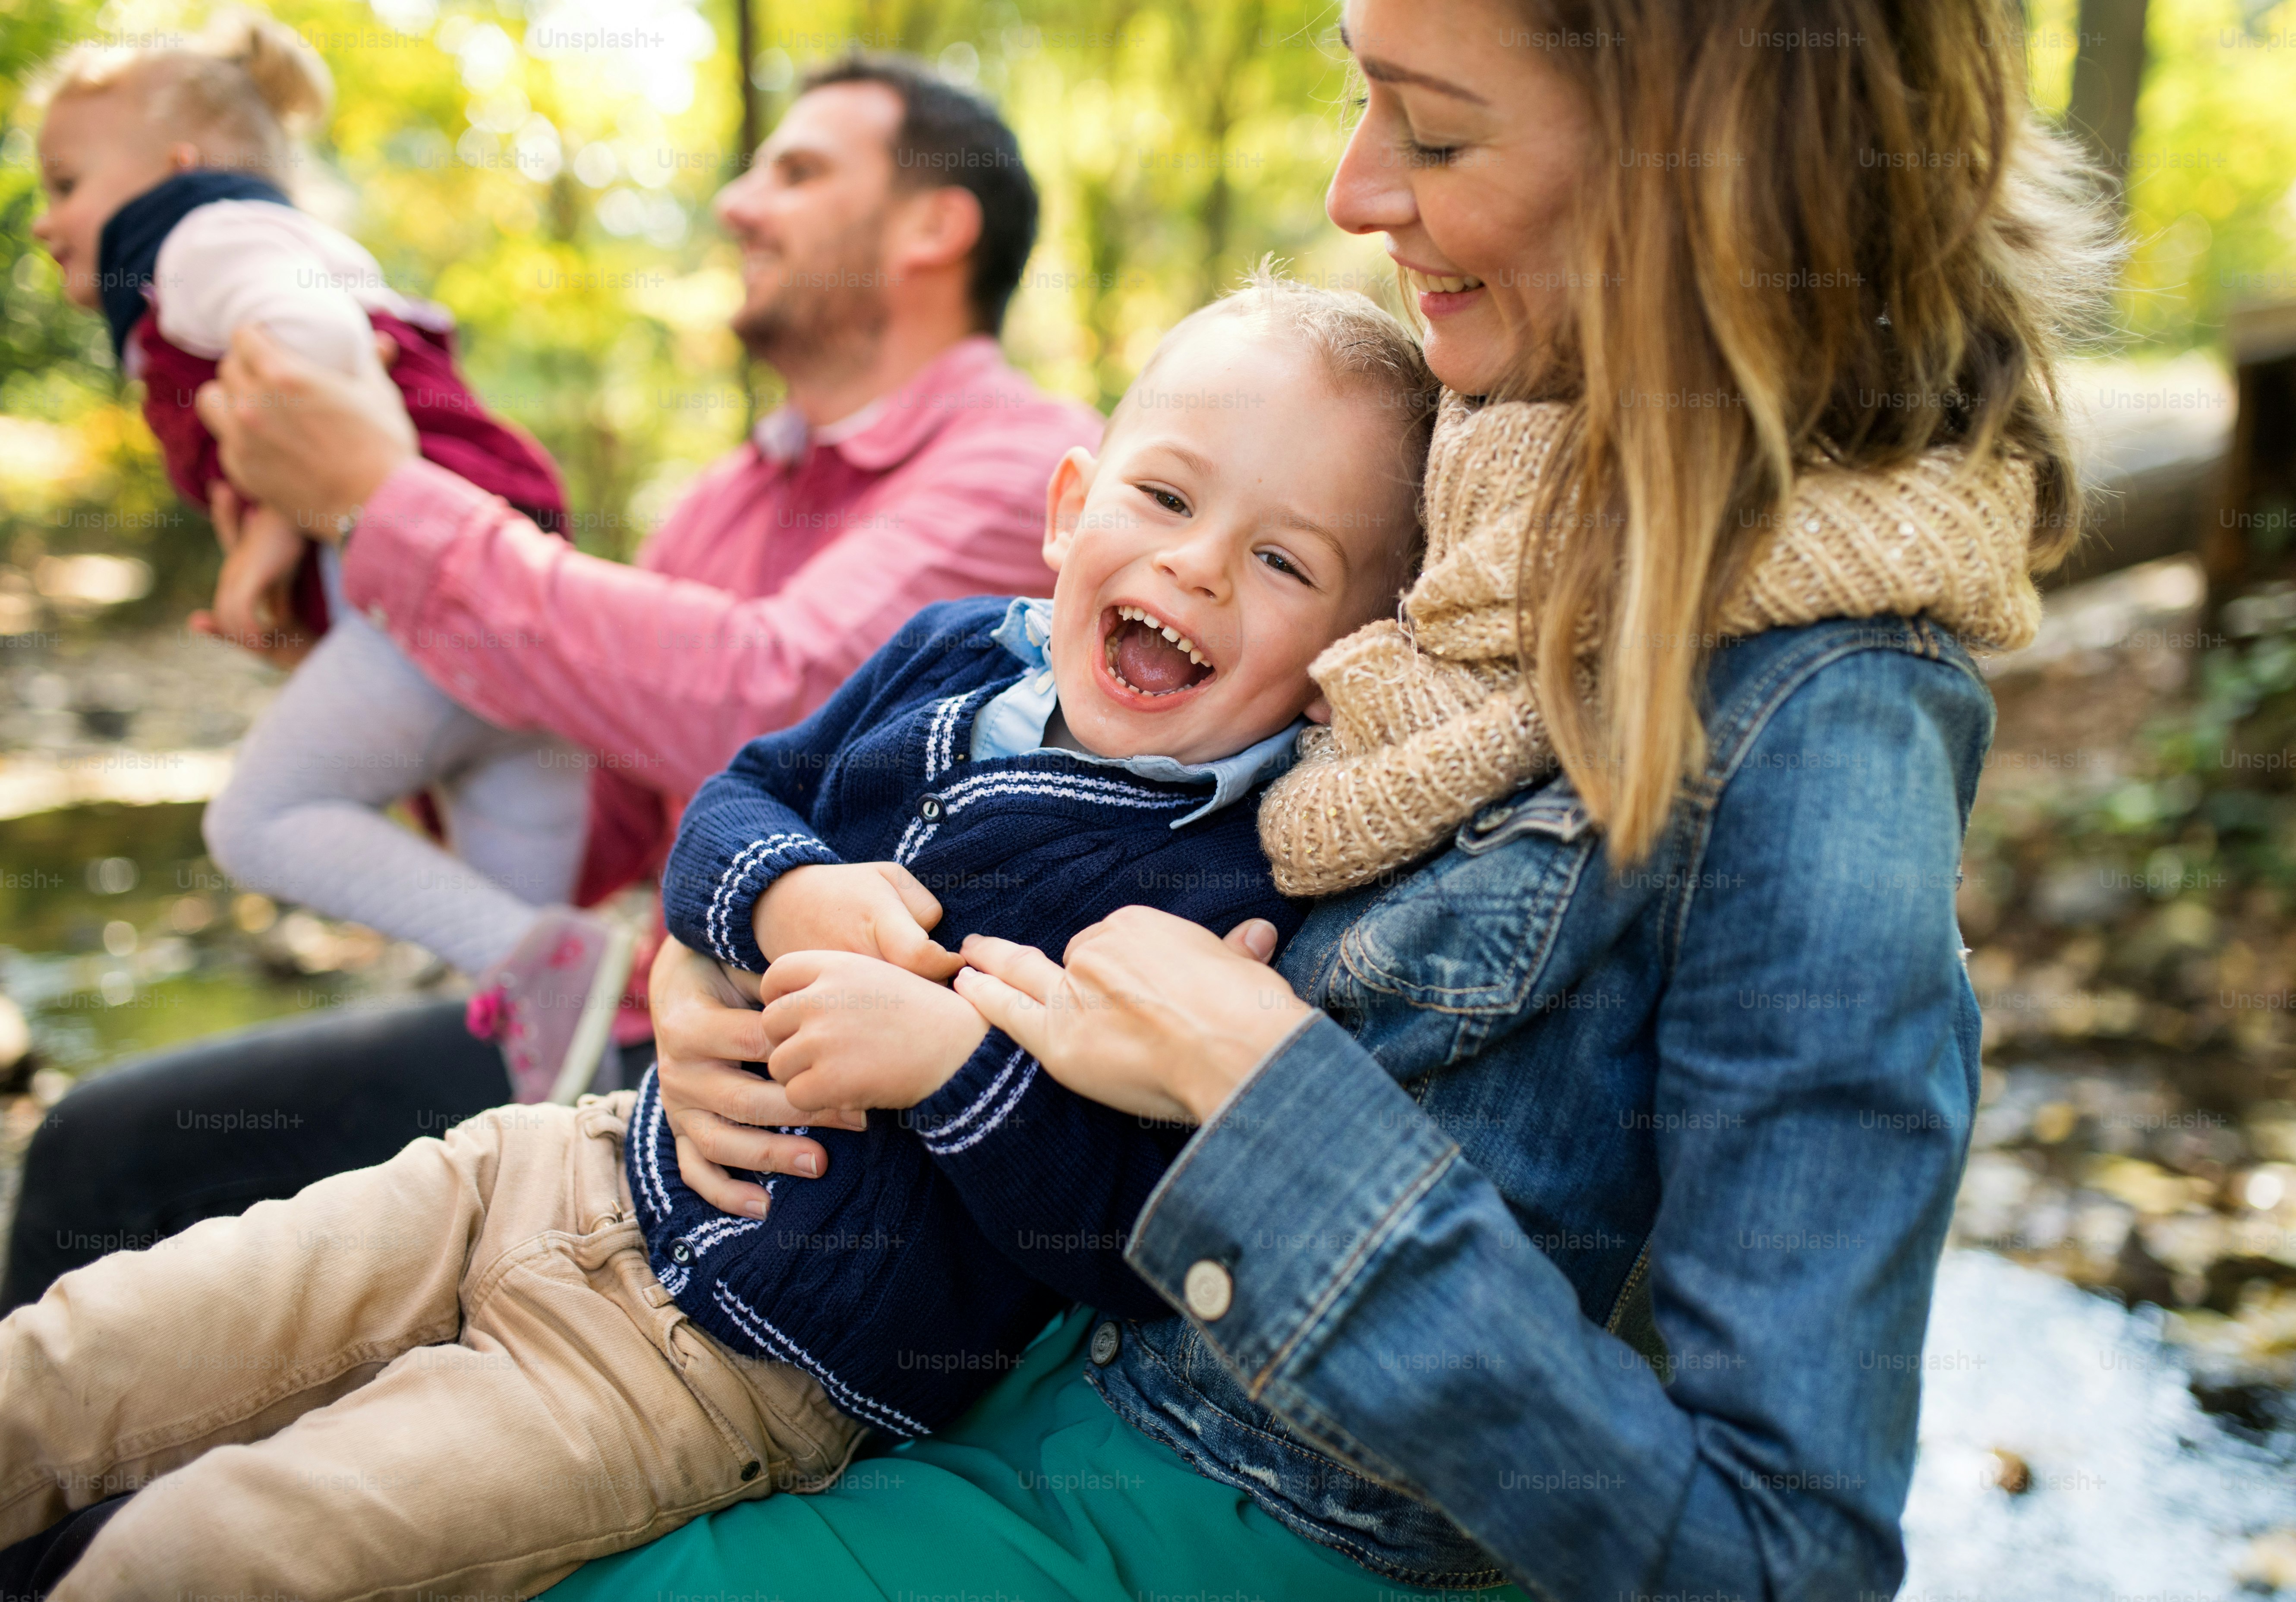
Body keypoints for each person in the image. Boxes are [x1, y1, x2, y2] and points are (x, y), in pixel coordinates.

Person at [582, 2, 2119, 1599]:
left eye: (1435, 132)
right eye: (1359, 99)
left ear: (1699, 182)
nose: (1350, 187)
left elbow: (1775, 1559)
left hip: (1230, 1519)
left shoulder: (1825, 722)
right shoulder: (1471, 482)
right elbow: (1011, 853)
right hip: (1003, 1367)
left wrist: (1265, 1101)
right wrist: (730, 964)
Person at [0, 281, 1434, 1602]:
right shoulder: (948, 655)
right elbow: (733, 800)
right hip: (556, 1161)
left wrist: (955, 1062)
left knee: (215, 1549)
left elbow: (1134, 1233)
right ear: (1068, 510)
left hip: (712, 1371)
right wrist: (780, 895)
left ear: (1337, 668)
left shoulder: (1222, 891)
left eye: (1279, 561)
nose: (1192, 565)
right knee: (89, 1354)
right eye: (1164, 496)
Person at [0, 54, 1100, 1309]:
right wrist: (387, 680)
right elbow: (606, 828)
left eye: (795, 172)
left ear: (934, 223)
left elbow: (773, 701)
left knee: (122, 1174)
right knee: (103, 1145)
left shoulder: (1023, 460)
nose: (737, 204)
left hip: (790, 1099)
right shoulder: (728, 498)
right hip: (623, 1014)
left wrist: (388, 497)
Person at [30, 10, 629, 1100]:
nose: (44, 221)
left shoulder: (202, 236)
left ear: (178, 168)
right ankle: (583, 1143)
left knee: (259, 821)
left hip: (443, 593)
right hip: (510, 586)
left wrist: (261, 543)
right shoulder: (285, 244)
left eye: (65, 182)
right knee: (527, 1014)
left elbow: (313, 349)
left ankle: (567, 993)